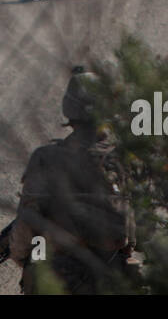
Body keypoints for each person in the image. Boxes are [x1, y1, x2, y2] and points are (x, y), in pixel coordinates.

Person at [9, 67, 141, 294]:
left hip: (59, 277)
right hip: (109, 275)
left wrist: (23, 256)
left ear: (68, 109)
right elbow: (133, 230)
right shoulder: (118, 158)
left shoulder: (45, 159)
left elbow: (26, 224)